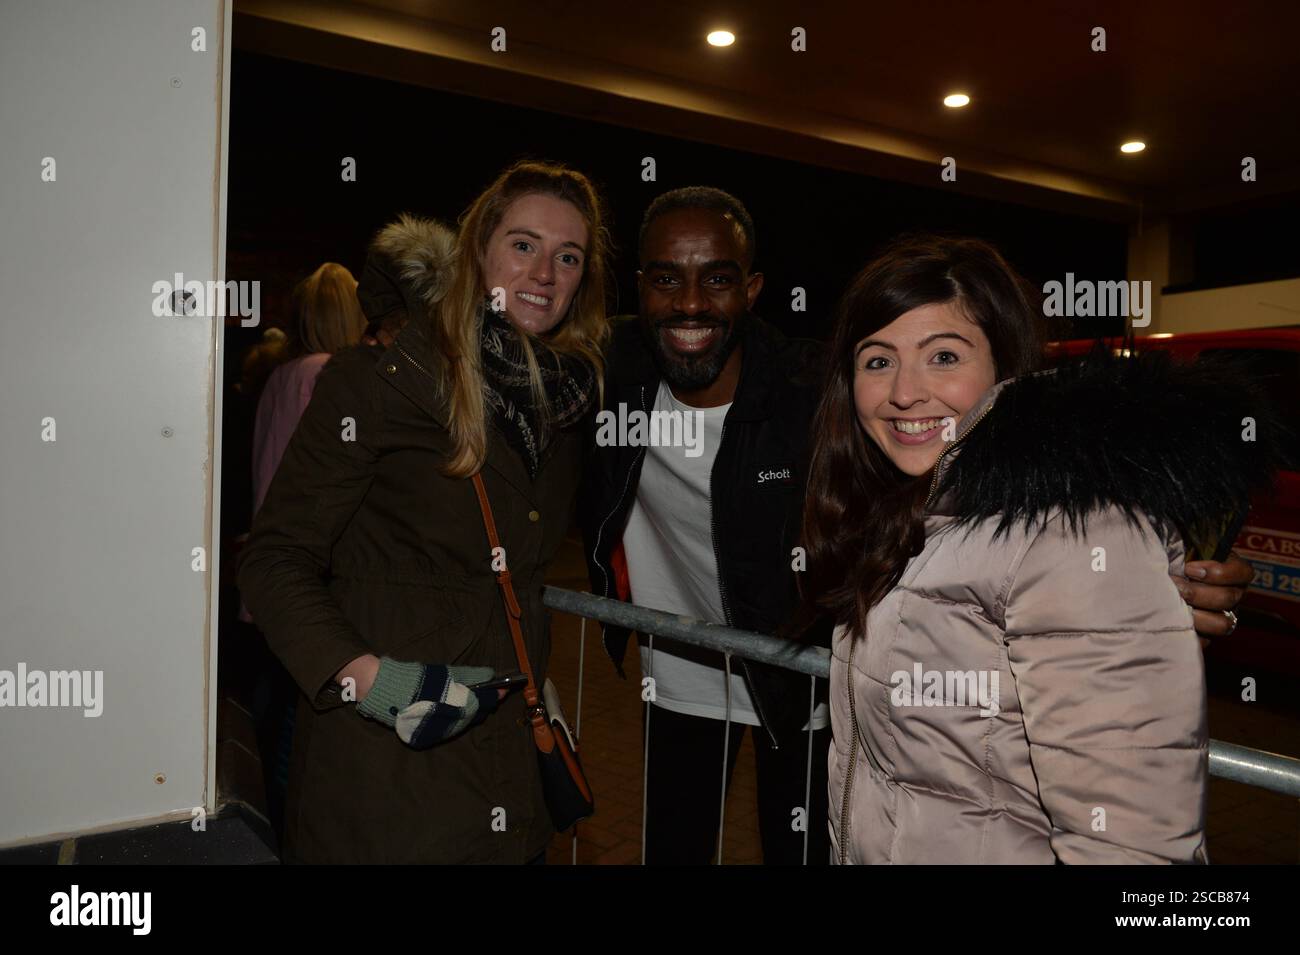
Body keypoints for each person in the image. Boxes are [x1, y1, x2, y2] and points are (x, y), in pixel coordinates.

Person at [797, 235, 1277, 863]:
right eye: (878, 360)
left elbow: (1134, 845)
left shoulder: (1077, 529)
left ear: (1007, 368)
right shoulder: (905, 511)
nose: (905, 393)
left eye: (944, 356)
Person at [238, 160, 611, 863]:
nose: (545, 273)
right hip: (389, 785)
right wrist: (371, 680)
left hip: (507, 782)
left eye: (569, 256)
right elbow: (274, 560)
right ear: (478, 251)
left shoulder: (562, 407)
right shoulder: (379, 384)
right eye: (523, 245)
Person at [581, 187, 833, 865]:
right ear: (640, 288)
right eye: (666, 279)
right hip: (682, 673)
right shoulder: (613, 370)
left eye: (716, 279)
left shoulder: (810, 393)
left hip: (802, 685)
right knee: (673, 851)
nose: (689, 303)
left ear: (750, 290)